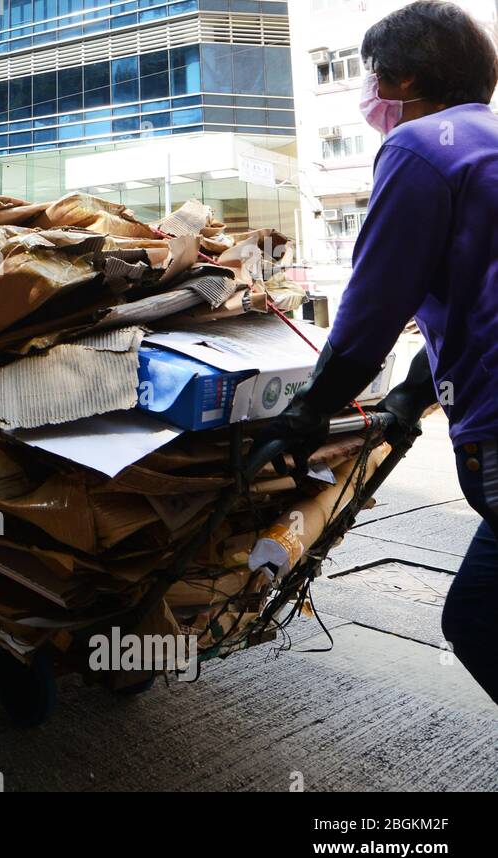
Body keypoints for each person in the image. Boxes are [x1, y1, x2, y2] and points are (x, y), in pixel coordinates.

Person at [260, 1, 498, 703]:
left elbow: (371, 311)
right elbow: (477, 311)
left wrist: (307, 414)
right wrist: (408, 397)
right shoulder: (488, 146)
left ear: (406, 79)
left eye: (371, 75)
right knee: (481, 612)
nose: (369, 92)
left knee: (481, 618)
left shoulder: (421, 148)